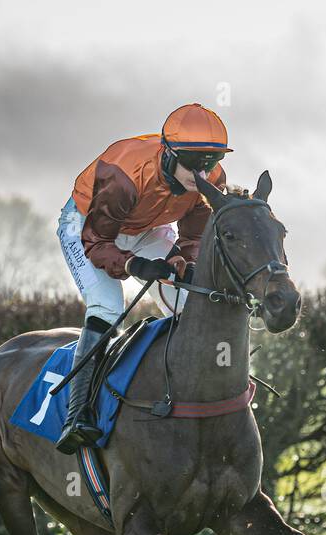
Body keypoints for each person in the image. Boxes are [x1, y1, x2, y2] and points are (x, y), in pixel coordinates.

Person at [54, 103, 231, 453]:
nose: (201, 175)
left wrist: (187, 262)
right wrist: (134, 266)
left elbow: (192, 237)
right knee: (107, 305)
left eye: (209, 164)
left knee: (190, 297)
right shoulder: (123, 174)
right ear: (168, 153)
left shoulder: (212, 180)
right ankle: (78, 413)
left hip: (146, 228)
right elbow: (98, 242)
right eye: (193, 164)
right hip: (87, 226)